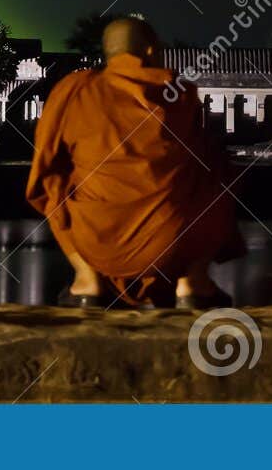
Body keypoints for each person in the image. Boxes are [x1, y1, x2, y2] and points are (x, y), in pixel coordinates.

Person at [26, 17, 244, 308]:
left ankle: (86, 278)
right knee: (218, 172)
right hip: (174, 242)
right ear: (151, 52)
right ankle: (192, 281)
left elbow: (45, 170)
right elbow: (209, 161)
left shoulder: (75, 89)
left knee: (54, 185)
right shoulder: (178, 92)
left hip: (94, 239)